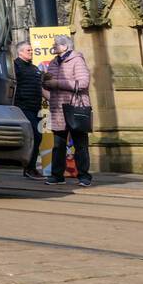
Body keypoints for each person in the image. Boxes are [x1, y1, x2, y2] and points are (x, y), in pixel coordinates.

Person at [42, 34, 92, 186]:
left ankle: (84, 176)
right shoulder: (53, 62)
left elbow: (82, 83)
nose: (53, 47)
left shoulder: (77, 60)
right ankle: (57, 176)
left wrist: (56, 83)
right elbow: (47, 85)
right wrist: (45, 84)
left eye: (56, 44)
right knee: (58, 145)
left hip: (75, 108)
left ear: (65, 46)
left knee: (80, 144)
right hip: (58, 109)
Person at [13, 39, 45, 178]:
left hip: (36, 107)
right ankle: (29, 168)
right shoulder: (15, 66)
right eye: (28, 50)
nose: (31, 52)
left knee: (38, 137)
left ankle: (30, 168)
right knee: (35, 136)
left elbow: (40, 88)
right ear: (20, 52)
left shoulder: (34, 68)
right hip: (23, 107)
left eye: (31, 50)